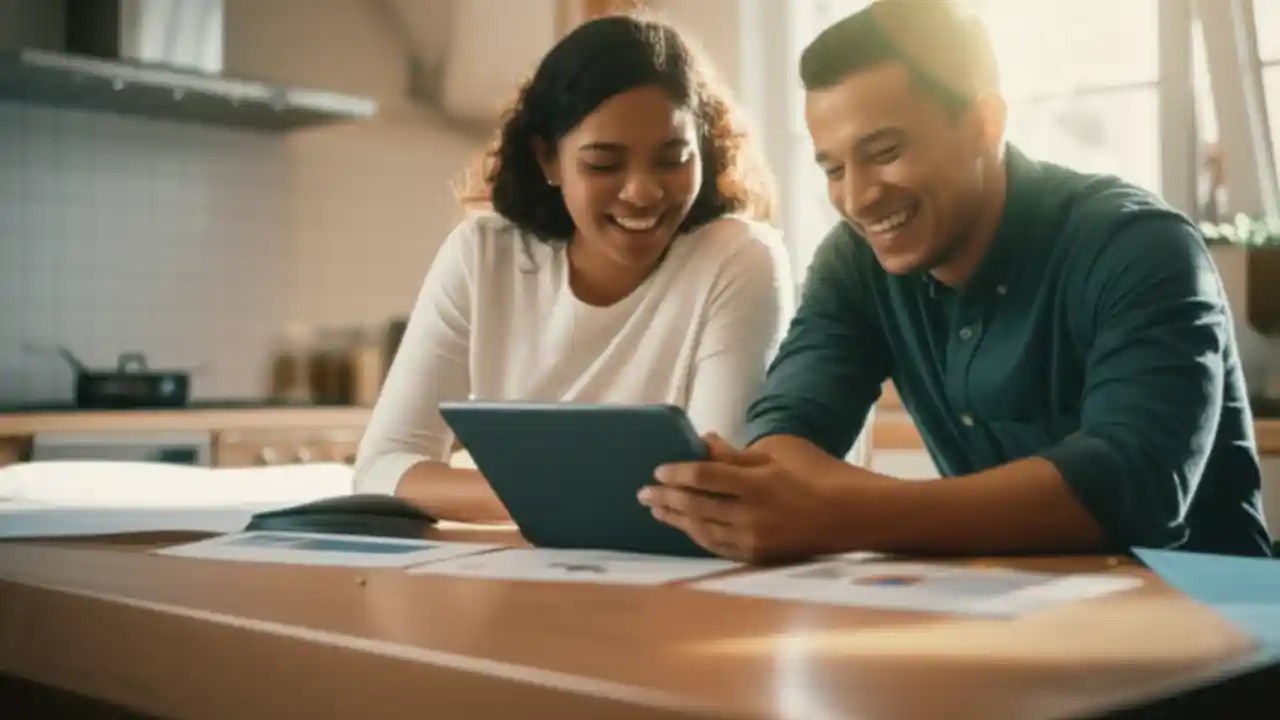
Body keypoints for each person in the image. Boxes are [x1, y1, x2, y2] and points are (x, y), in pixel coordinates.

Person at [639, 0, 1272, 561]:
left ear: (983, 124)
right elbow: (785, 437)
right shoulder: (856, 261)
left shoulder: (1140, 246)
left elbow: (1133, 488)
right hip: (1013, 615)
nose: (857, 197)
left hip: (1213, 633)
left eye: (885, 152)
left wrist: (840, 515)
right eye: (834, 167)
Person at [354, 14, 792, 522]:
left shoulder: (737, 258)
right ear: (548, 160)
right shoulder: (482, 255)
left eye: (673, 159)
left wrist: (539, 496)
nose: (643, 191)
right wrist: (544, 500)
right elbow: (381, 466)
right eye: (604, 164)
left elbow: (711, 489)